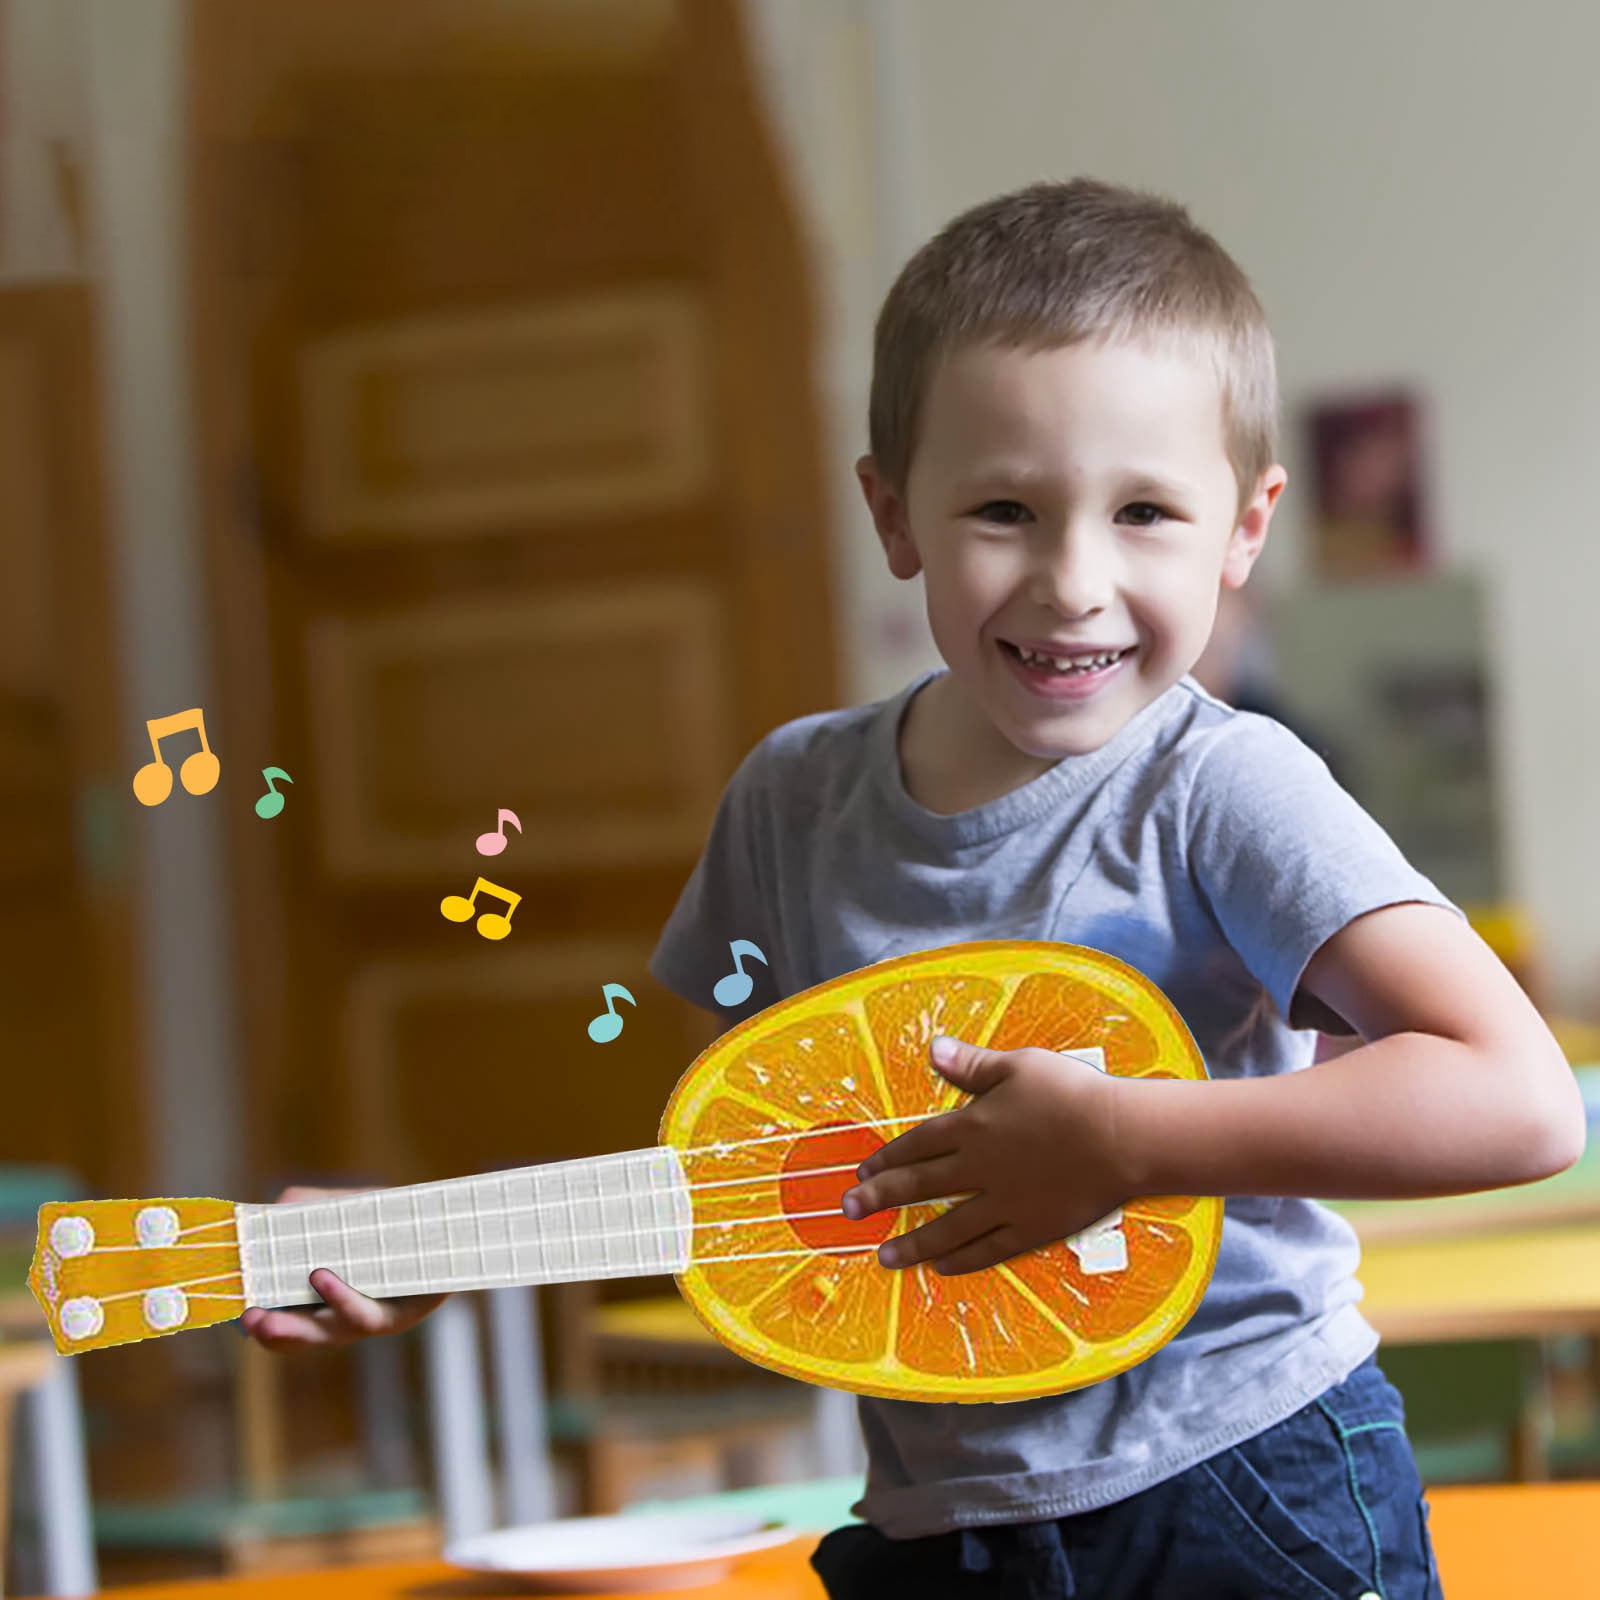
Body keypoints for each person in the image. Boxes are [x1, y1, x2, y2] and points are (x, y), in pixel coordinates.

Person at [244, 178, 1586, 1599]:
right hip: (947, 1534)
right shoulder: (794, 801)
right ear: (895, 515)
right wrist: (443, 1248)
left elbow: (1518, 1097)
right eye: (1005, 508)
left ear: (1244, 529)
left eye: (1145, 512)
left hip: (1248, 1489)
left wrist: (1130, 1138)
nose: (1074, 581)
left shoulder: (1223, 789)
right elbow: (747, 1167)